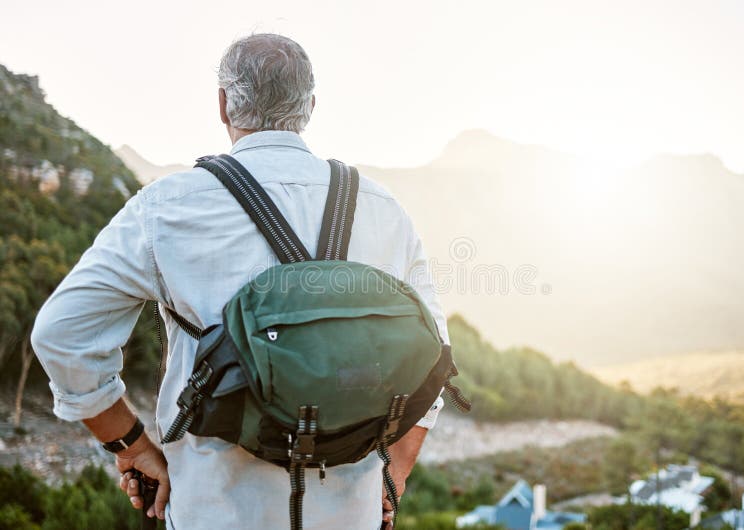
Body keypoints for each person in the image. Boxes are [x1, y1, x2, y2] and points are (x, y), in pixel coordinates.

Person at [31, 33, 448, 529]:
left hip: (216, 510)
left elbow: (61, 335)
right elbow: (436, 358)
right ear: (310, 105)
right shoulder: (383, 210)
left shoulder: (168, 207)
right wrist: (393, 473)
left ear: (224, 104)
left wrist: (131, 445)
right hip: (350, 514)